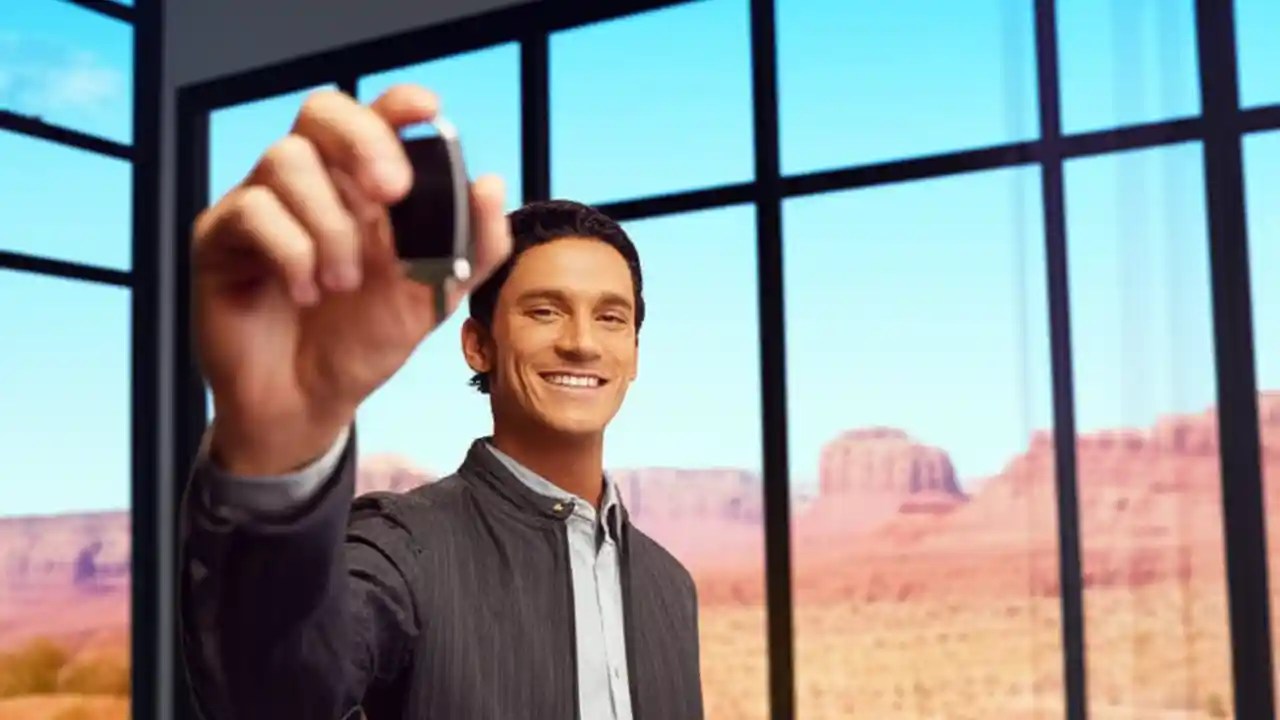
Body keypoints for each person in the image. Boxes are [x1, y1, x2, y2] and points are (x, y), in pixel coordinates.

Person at [178, 84, 703, 720]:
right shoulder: (406, 547)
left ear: (635, 355)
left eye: (612, 318)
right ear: (477, 345)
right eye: (544, 311)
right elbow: (275, 692)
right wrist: (275, 444)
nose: (582, 343)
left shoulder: (670, 587)